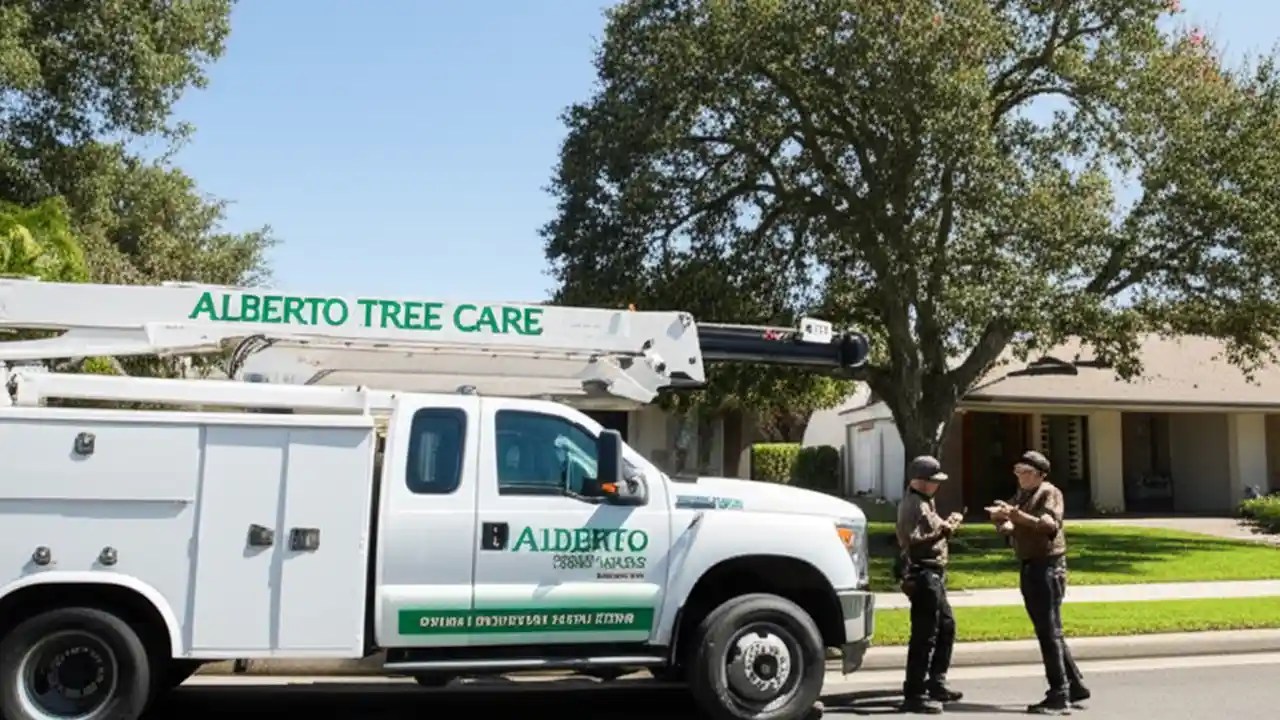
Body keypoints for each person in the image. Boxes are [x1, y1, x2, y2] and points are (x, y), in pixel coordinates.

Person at [987, 451, 1091, 715]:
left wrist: (1015, 516)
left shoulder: (1048, 493)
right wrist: (1002, 522)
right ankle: (1074, 686)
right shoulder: (1022, 495)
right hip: (1031, 564)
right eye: (1018, 471)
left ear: (1041, 474)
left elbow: (1048, 526)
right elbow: (1012, 525)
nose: (1021, 476)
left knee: (1049, 632)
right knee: (1050, 629)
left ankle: (1059, 695)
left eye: (1027, 472)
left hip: (1048, 567)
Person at [896, 455, 964, 714]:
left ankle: (936, 681)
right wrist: (944, 530)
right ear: (919, 481)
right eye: (932, 480)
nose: (937, 484)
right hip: (922, 573)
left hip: (934, 573)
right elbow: (912, 540)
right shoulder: (912, 504)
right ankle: (914, 692)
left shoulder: (926, 501)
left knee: (946, 627)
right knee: (925, 634)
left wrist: (945, 527)